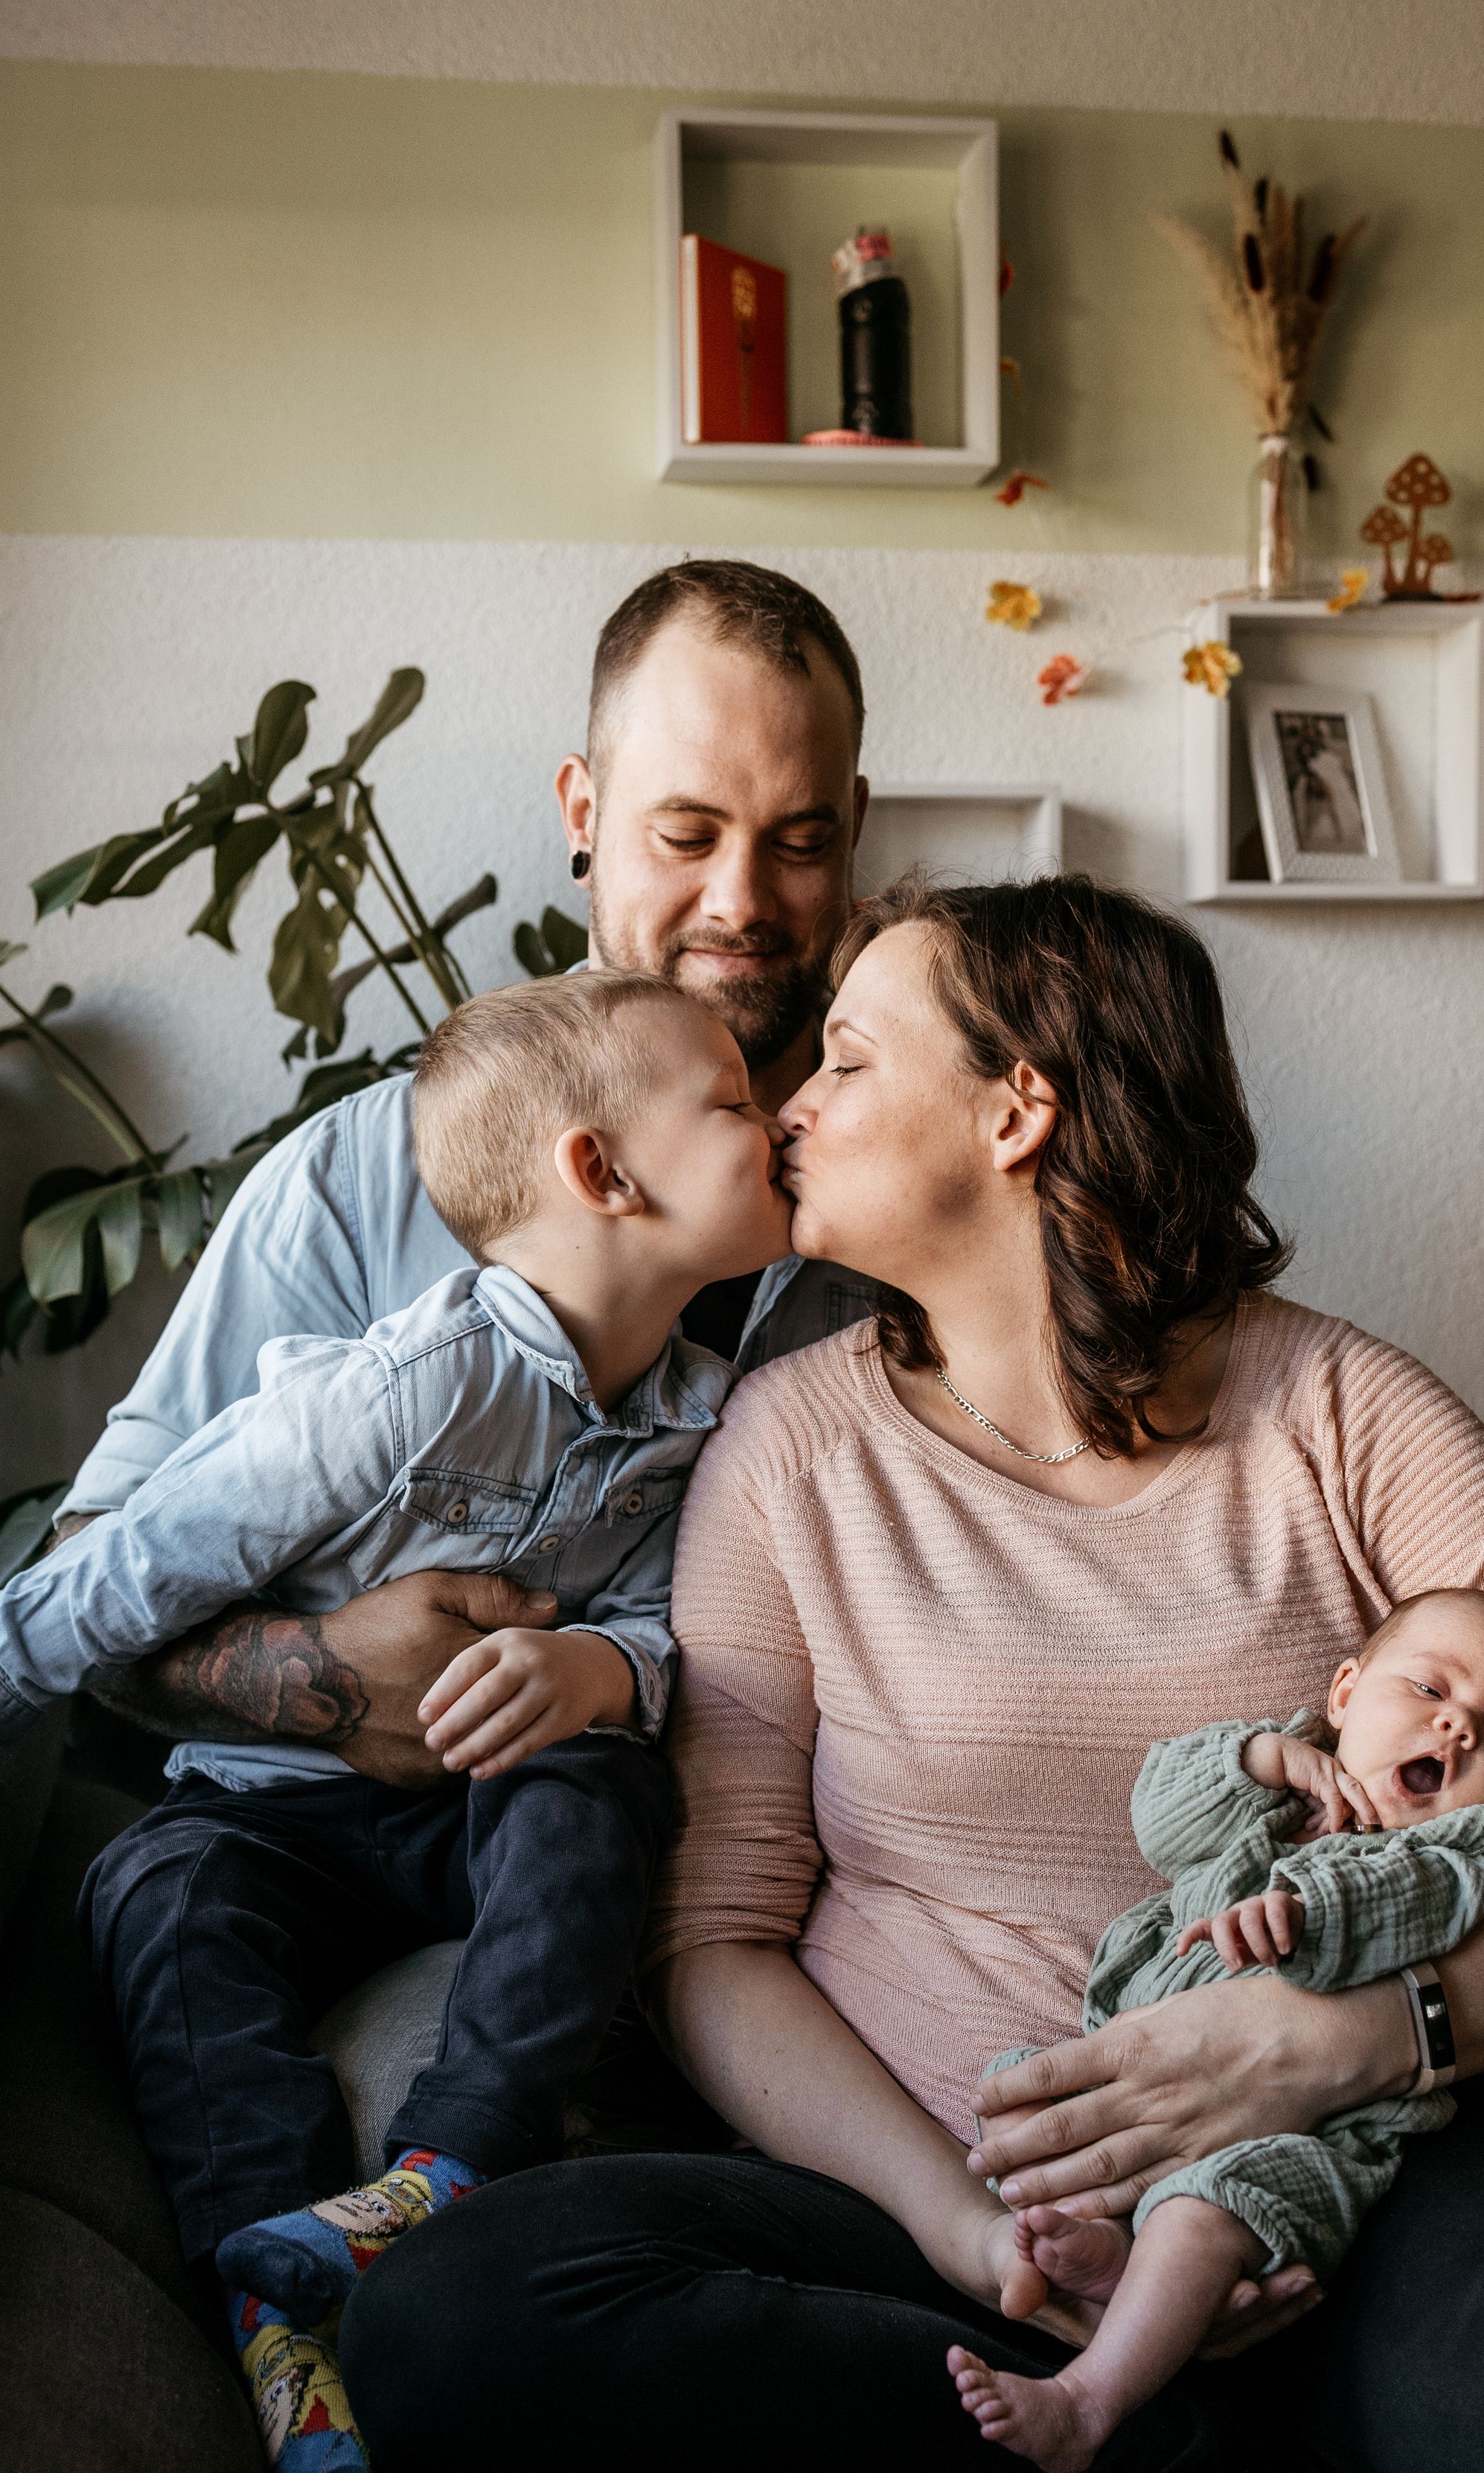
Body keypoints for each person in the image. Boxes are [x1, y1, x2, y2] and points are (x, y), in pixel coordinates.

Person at [339, 874, 1484, 2473]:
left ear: (1018, 1107)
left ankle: (1218, 2389)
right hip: (937, 2217)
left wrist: (1371, 2037)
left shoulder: (1342, 1412)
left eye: (844, 1054)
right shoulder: (791, 1446)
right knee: (451, 2331)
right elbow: (719, 1943)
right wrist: (970, 2224)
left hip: (1344, 2181)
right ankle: (1199, 2422)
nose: (792, 1100)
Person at [0, 970, 793, 2473]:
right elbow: (145, 1559)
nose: (774, 1126)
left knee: (598, 1786)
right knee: (155, 1892)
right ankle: (276, 2319)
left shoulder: (700, 1416)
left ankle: (445, 2171)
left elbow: (660, 1634)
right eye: (735, 1107)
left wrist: (588, 1669)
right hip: (272, 1812)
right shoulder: (403, 1386)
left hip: (476, 1815)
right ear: (604, 1175)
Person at [48, 560, 876, 1790]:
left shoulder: (925, 1200)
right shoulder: (353, 1176)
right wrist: (326, 1675)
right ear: (582, 813)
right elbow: (81, 1581)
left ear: (854, 826)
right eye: (686, 834)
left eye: (801, 842)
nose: (741, 900)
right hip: (347, 1857)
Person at [949, 1586, 1484, 2473]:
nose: (1457, 1733)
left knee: (1209, 2207)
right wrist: (1259, 1758)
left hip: (1319, 2130)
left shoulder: (1470, 1852)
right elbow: (1161, 1820)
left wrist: (1301, 1911)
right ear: (1344, 1694)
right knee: (1020, 2092)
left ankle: (1087, 2402)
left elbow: (1411, 1905)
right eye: (1430, 1692)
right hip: (1135, 2068)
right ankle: (1112, 2260)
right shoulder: (1277, 1789)